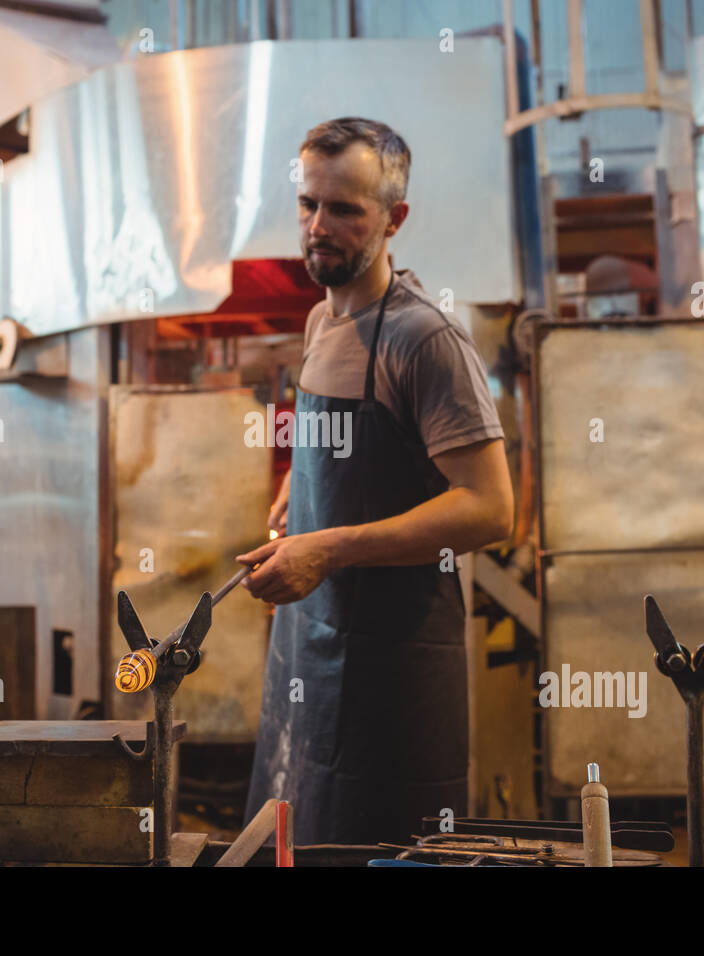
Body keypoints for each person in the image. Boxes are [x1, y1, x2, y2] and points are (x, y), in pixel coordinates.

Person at [238, 117, 514, 845]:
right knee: (299, 826)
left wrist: (328, 548)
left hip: (395, 660)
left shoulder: (423, 339)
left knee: (377, 841)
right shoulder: (319, 324)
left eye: (344, 210)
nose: (317, 228)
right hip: (309, 645)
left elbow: (490, 510)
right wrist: (296, 496)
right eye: (308, 204)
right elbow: (337, 451)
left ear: (395, 219)